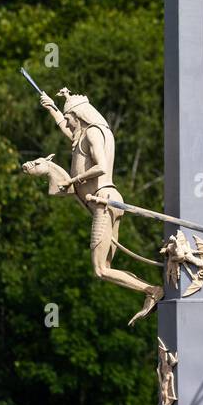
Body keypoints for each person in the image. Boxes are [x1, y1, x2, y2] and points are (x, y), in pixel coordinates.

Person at [39, 88, 163, 322]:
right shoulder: (85, 134)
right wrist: (52, 108)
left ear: (80, 115)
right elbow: (67, 130)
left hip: (103, 202)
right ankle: (150, 290)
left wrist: (73, 180)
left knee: (99, 270)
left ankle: (152, 290)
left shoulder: (93, 133)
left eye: (69, 117)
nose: (67, 121)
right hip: (108, 202)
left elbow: (101, 166)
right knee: (106, 266)